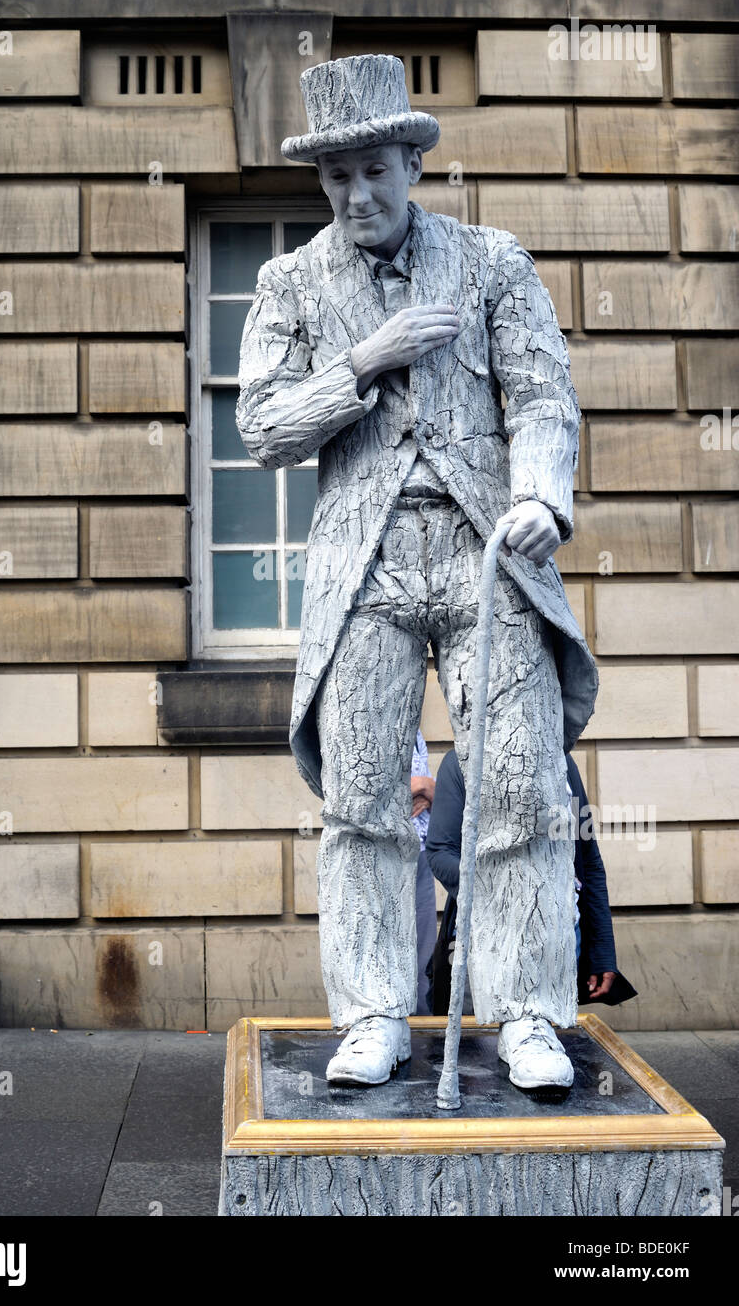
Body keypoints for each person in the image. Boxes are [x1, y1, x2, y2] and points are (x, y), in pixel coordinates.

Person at [236, 54, 598, 1089]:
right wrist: (364, 360)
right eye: (336, 178)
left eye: (375, 171)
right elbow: (261, 426)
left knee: (522, 790)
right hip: (368, 571)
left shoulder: (492, 263)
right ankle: (375, 1013)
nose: (357, 195)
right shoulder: (291, 283)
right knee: (362, 800)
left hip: (491, 556)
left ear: (412, 164)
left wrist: (540, 492)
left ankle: (527, 1010)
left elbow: (541, 397)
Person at [426, 749, 637, 1037]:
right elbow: (440, 852)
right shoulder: (463, 758)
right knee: (479, 1061)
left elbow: (588, 860)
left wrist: (601, 951)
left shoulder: (562, 759)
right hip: (484, 942)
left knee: (543, 1053)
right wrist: (506, 887)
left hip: (559, 941)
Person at [410, 729, 439, 1016]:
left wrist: (427, 788)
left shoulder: (416, 729)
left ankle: (420, 1043)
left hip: (420, 852)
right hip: (384, 855)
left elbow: (432, 791)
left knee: (423, 963)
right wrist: (421, 785)